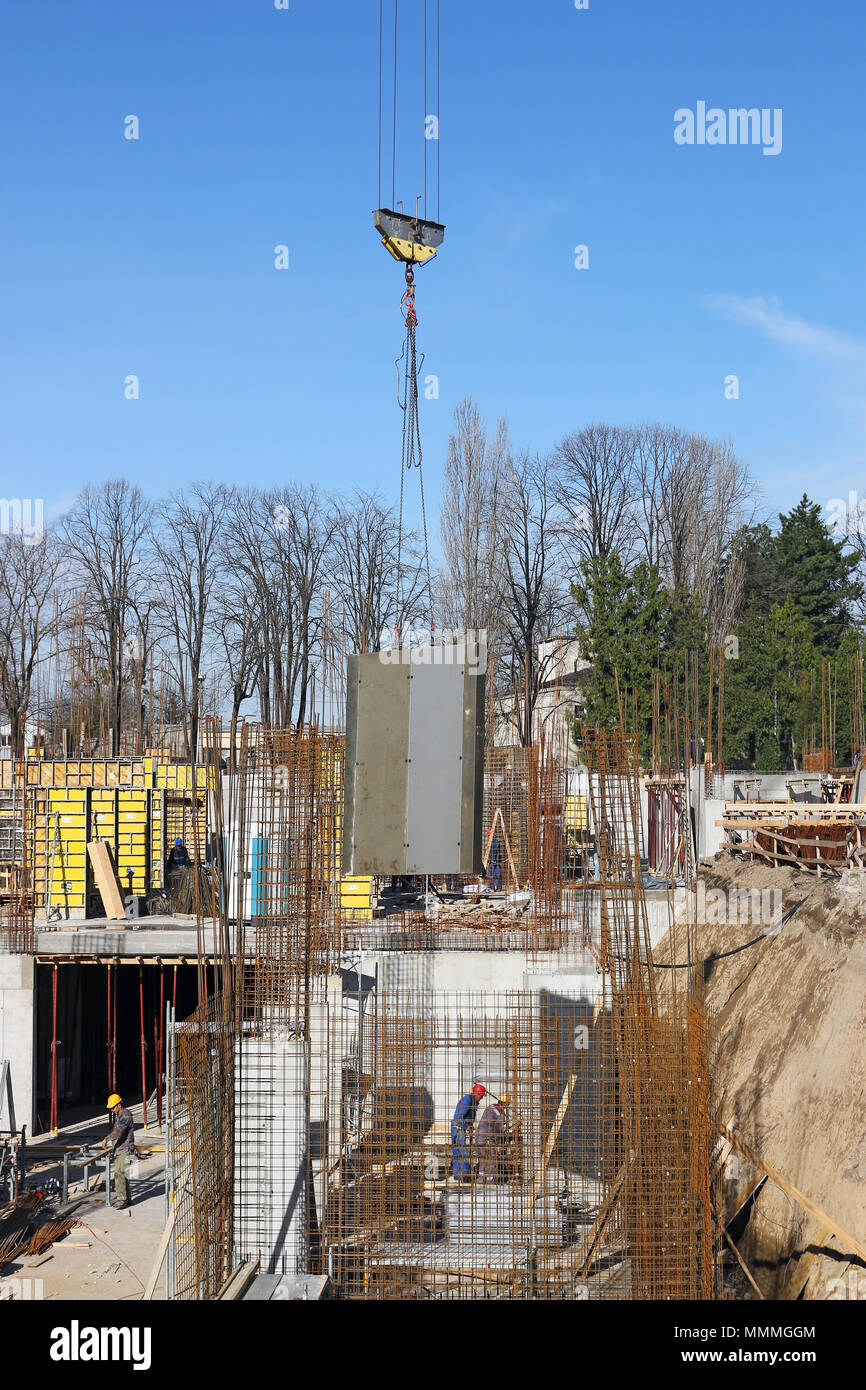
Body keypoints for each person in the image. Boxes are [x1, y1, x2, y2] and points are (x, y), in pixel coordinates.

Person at [102, 1093, 135, 1209]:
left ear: (119, 1105)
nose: (111, 1109)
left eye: (112, 1107)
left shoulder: (125, 1116)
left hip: (125, 1150)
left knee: (119, 1173)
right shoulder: (119, 1116)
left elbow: (118, 1133)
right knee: (123, 1174)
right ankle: (128, 1198)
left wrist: (106, 1139)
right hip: (120, 1150)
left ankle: (122, 1200)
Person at [450, 1082, 485, 1180]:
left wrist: (469, 1125)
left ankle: (458, 1176)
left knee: (459, 1151)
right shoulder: (467, 1100)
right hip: (458, 1128)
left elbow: (466, 1116)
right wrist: (466, 1126)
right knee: (462, 1151)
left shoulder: (473, 1101)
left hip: (461, 1127)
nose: (481, 1098)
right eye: (481, 1096)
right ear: (477, 1094)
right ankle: (465, 1175)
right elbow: (457, 1117)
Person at [475, 1093, 510, 1182]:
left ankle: (481, 1179)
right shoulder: (501, 1113)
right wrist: (498, 1145)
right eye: (508, 1103)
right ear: (504, 1103)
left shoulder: (490, 1107)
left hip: (479, 1136)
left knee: (482, 1159)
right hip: (488, 1138)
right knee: (491, 1159)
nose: (508, 1105)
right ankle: (490, 1181)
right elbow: (498, 1131)